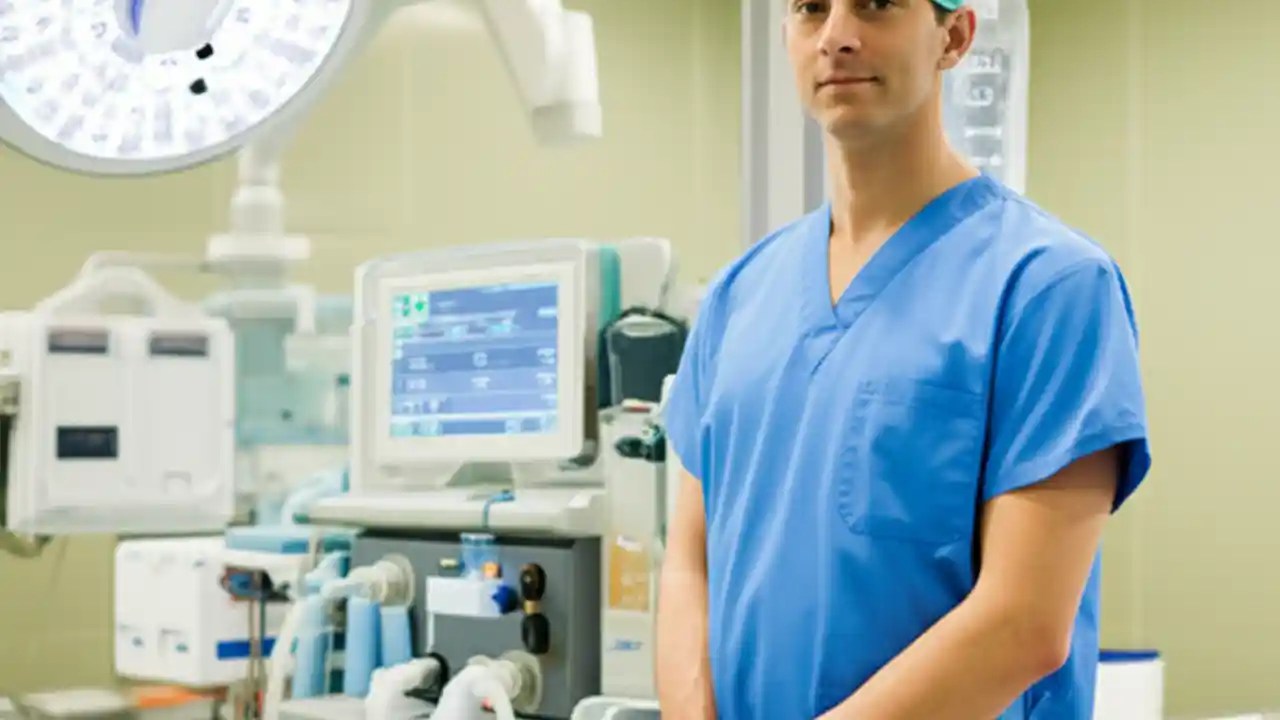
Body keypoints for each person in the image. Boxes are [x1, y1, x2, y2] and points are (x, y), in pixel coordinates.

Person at [655, 1, 1152, 718]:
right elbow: (689, 562)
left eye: (877, 4)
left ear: (953, 36)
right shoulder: (739, 294)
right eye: (810, 10)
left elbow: (1025, 625)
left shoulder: (1048, 286)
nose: (837, 37)